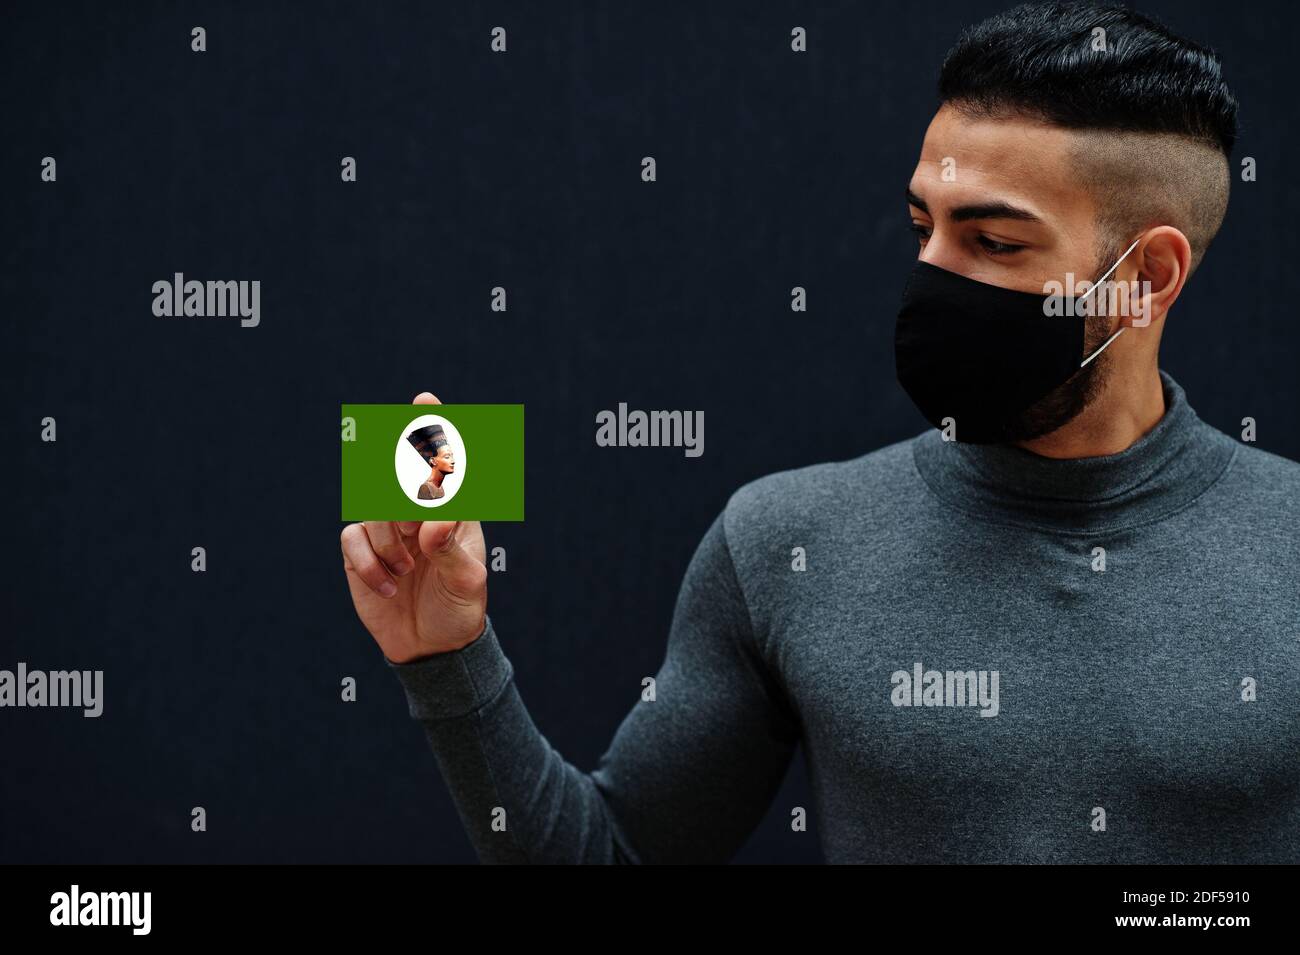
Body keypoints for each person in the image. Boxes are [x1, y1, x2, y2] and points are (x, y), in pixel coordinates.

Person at [340, 1, 1300, 863]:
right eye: (922, 225)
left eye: (993, 242)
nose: (933, 272)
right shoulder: (788, 540)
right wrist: (448, 655)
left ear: (1149, 276)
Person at [405, 424, 455, 501]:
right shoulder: (426, 488)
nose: (453, 461)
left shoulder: (439, 486)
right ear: (433, 461)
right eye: (447, 457)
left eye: (452, 456)